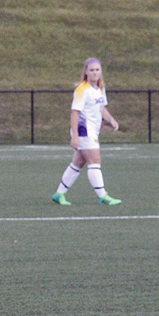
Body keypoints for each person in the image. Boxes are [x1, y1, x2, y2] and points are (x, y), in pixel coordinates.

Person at [52, 58, 122, 206]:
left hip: (92, 130)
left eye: (97, 70)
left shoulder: (100, 88)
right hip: (84, 130)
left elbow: (101, 108)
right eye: (91, 70)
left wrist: (111, 119)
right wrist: (75, 137)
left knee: (78, 163)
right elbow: (74, 113)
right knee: (95, 161)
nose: (95, 73)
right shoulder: (82, 90)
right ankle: (103, 196)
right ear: (86, 72)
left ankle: (59, 193)